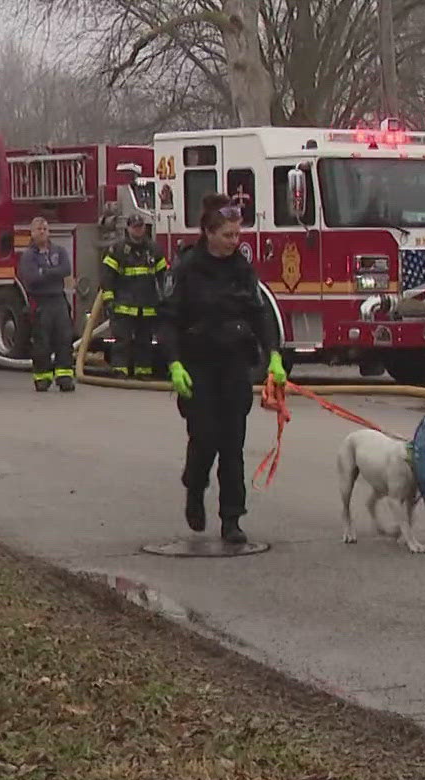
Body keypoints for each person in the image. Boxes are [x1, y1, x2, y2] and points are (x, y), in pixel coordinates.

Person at [156, 192, 286, 543]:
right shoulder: (186, 269)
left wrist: (273, 353)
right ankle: (194, 488)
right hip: (197, 366)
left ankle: (232, 518)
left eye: (237, 235)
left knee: (232, 444)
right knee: (205, 438)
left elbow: (259, 313)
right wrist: (174, 364)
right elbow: (167, 320)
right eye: (227, 235)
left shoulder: (242, 270)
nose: (234, 242)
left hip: (233, 366)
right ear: (209, 232)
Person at [99, 215, 167, 379]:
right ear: (128, 229)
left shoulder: (154, 249)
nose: (138, 230)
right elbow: (108, 277)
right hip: (124, 305)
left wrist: (164, 300)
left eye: (140, 226)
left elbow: (163, 277)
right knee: (122, 340)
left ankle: (143, 371)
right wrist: (108, 300)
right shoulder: (118, 250)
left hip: (147, 305)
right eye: (135, 227)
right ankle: (120, 370)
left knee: (144, 341)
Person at [16, 217, 76, 392]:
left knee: (64, 339)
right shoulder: (28, 256)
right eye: (38, 229)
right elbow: (31, 278)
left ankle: (64, 377)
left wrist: (44, 272)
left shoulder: (59, 251)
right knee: (42, 342)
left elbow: (66, 269)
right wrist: (52, 273)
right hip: (40, 302)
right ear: (32, 233)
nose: (42, 232)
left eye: (45, 228)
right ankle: (42, 378)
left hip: (59, 300)